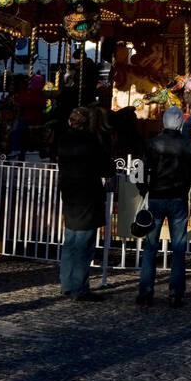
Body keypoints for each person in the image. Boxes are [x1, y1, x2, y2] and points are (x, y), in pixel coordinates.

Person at [136, 106, 191, 307]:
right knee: (178, 247)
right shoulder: (188, 145)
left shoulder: (152, 143)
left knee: (150, 246)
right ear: (180, 123)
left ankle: (146, 292)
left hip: (156, 197)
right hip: (178, 199)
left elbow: (141, 170)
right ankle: (175, 293)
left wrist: (144, 189)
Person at [57, 107, 113, 301]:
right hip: (88, 195)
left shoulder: (63, 140)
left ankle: (66, 283)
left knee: (70, 239)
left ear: (70, 122)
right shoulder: (91, 141)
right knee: (84, 243)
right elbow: (106, 166)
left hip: (70, 194)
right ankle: (79, 287)